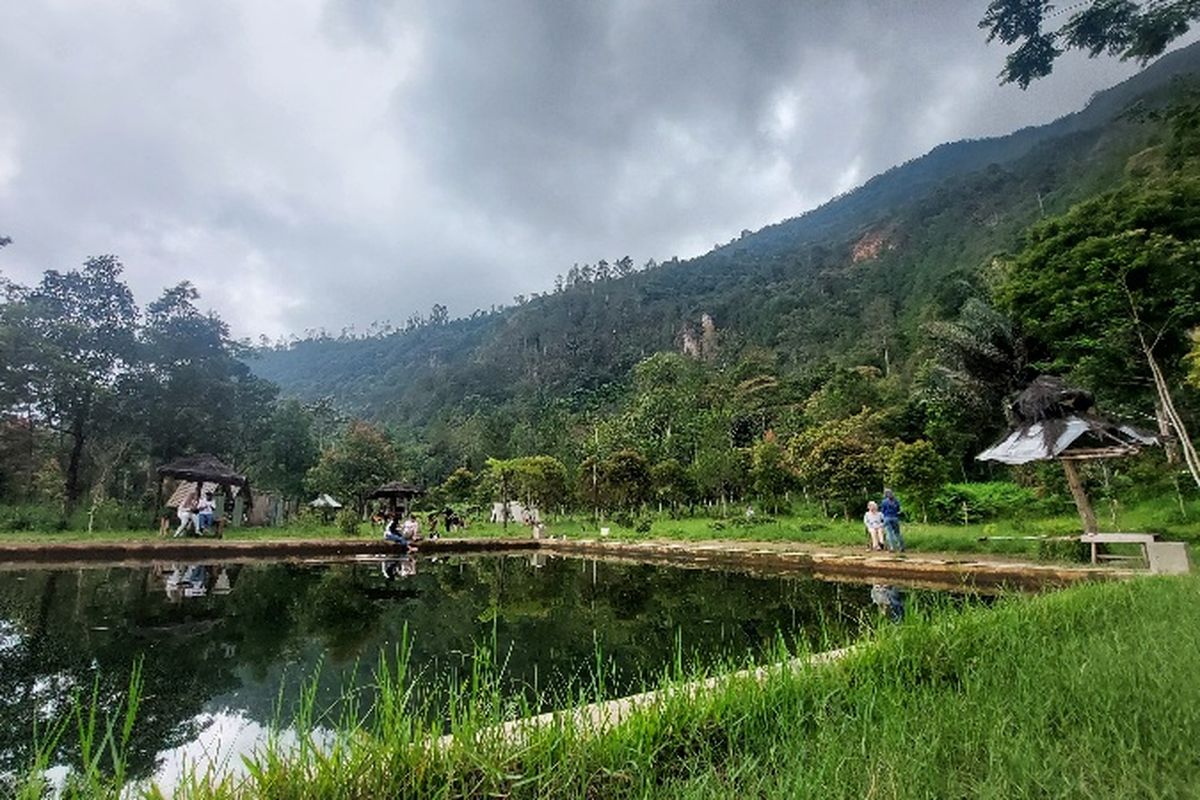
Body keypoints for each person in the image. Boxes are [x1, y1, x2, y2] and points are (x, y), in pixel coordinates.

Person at [881, 488, 905, 552]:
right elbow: (898, 510)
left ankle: (892, 547)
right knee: (897, 533)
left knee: (889, 533)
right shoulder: (896, 501)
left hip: (887, 518)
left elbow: (882, 511)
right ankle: (901, 547)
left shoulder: (884, 501)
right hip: (895, 518)